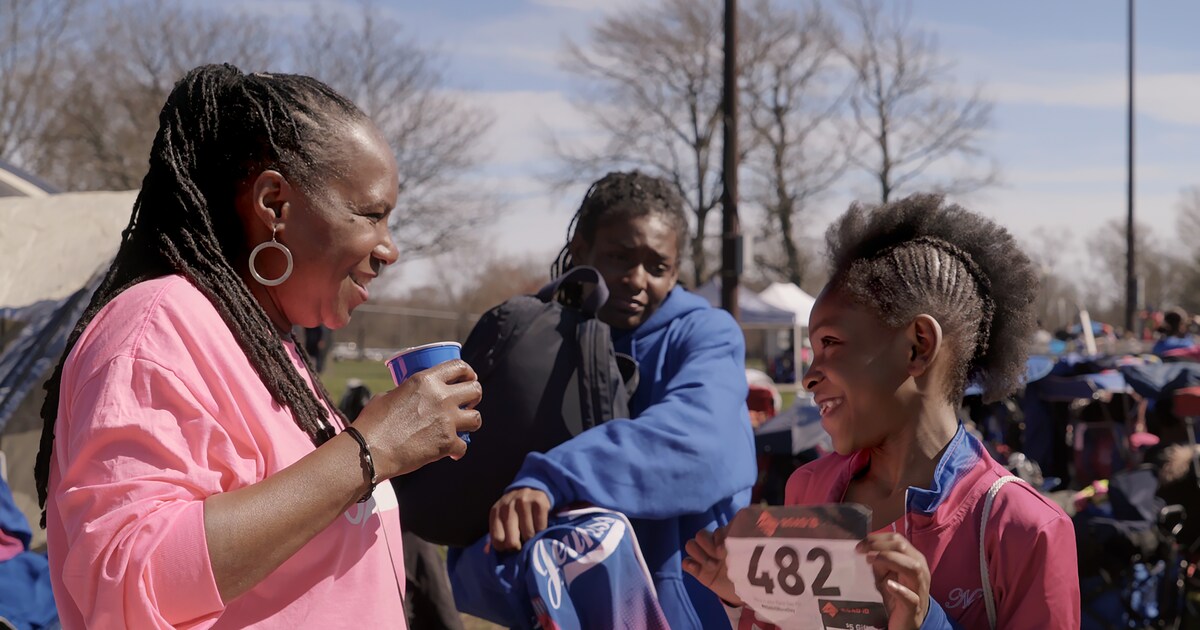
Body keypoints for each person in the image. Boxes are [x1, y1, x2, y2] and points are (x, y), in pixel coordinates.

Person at [33, 64, 482, 629]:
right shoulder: (156, 326)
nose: (389, 249)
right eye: (371, 215)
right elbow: (127, 579)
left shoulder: (267, 340)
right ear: (274, 203)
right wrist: (370, 451)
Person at [683, 195, 1079, 629]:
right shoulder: (808, 488)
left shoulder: (1023, 527)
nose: (810, 377)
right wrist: (747, 605)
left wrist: (926, 622)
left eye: (830, 343)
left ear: (918, 345)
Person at [485, 171, 758, 628]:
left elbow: (697, 443)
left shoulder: (707, 334)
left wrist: (554, 475)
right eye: (618, 257)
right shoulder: (540, 340)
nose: (636, 280)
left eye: (658, 267)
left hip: (683, 608)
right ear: (580, 252)